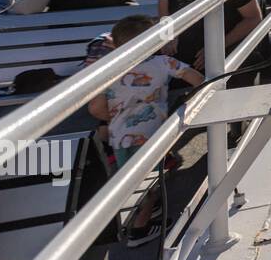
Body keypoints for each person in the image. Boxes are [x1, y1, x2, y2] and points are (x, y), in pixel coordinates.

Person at [86, 15, 204, 247]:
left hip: (120, 137)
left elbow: (96, 108)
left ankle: (138, 211)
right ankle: (140, 229)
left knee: (129, 180)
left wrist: (117, 118)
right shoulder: (163, 63)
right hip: (151, 133)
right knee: (150, 182)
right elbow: (197, 78)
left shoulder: (109, 70)